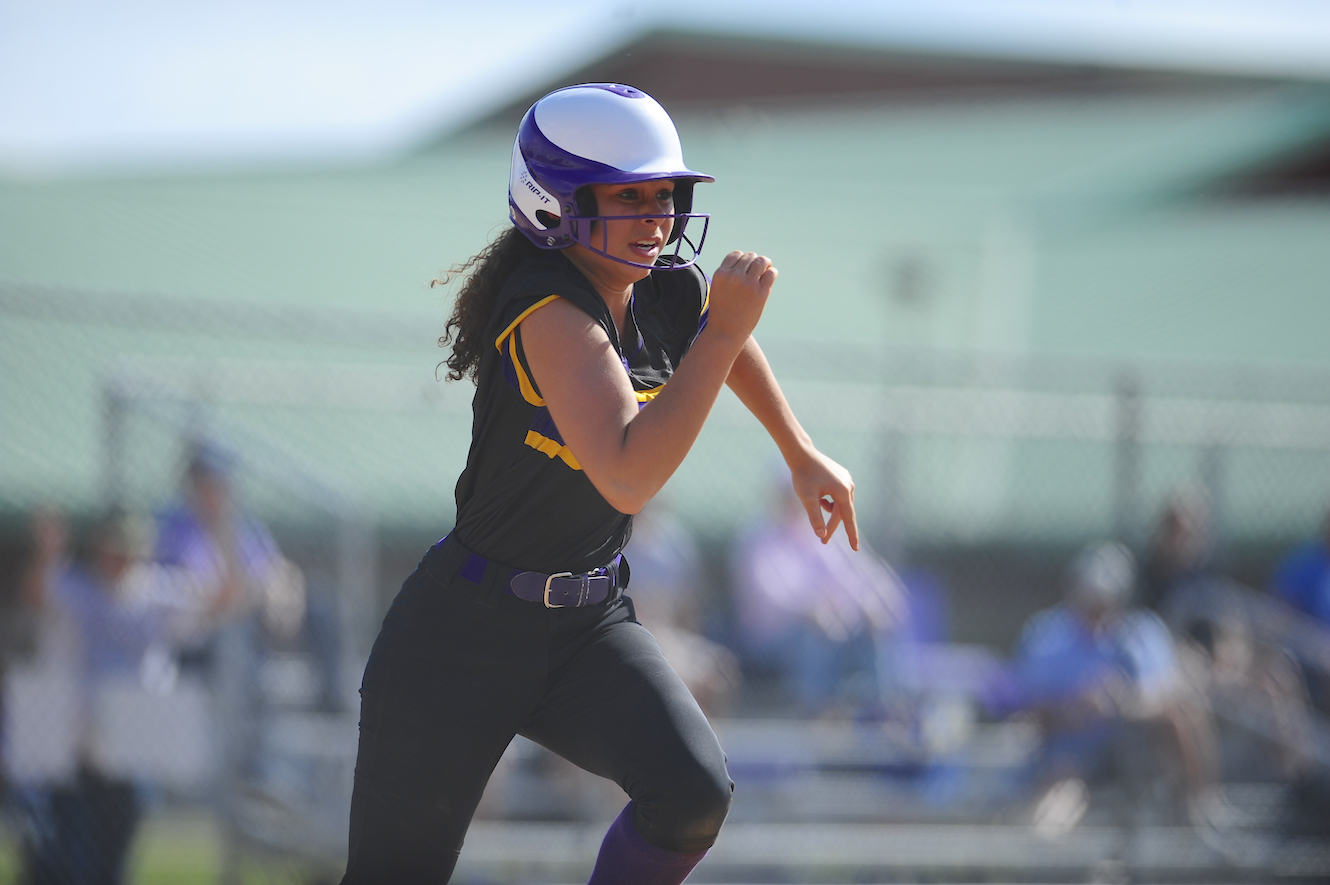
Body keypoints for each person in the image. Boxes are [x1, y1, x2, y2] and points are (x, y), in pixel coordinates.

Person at [339, 83, 858, 884]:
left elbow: (719, 340)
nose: (656, 215)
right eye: (628, 195)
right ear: (553, 202)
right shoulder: (548, 309)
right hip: (460, 634)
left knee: (691, 793)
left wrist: (798, 448)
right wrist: (722, 332)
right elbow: (627, 472)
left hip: (586, 623)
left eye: (665, 194)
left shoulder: (662, 288)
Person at [984, 542, 1217, 832]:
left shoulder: (1141, 631)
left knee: (1181, 716)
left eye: (1106, 600)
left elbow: (1167, 692)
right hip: (1075, 748)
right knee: (1062, 781)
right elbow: (1025, 706)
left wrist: (1122, 700)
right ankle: (1037, 852)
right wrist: (1073, 707)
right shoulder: (1047, 636)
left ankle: (1198, 811)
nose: (1097, 609)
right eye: (1090, 598)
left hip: (1136, 746)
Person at [730, 469, 906, 717]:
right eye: (786, 493)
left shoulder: (832, 530)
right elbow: (769, 598)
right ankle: (817, 716)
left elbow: (871, 579)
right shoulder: (757, 538)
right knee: (814, 635)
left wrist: (871, 605)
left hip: (836, 626)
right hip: (773, 637)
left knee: (871, 629)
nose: (794, 500)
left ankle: (881, 714)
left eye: (799, 492)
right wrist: (811, 608)